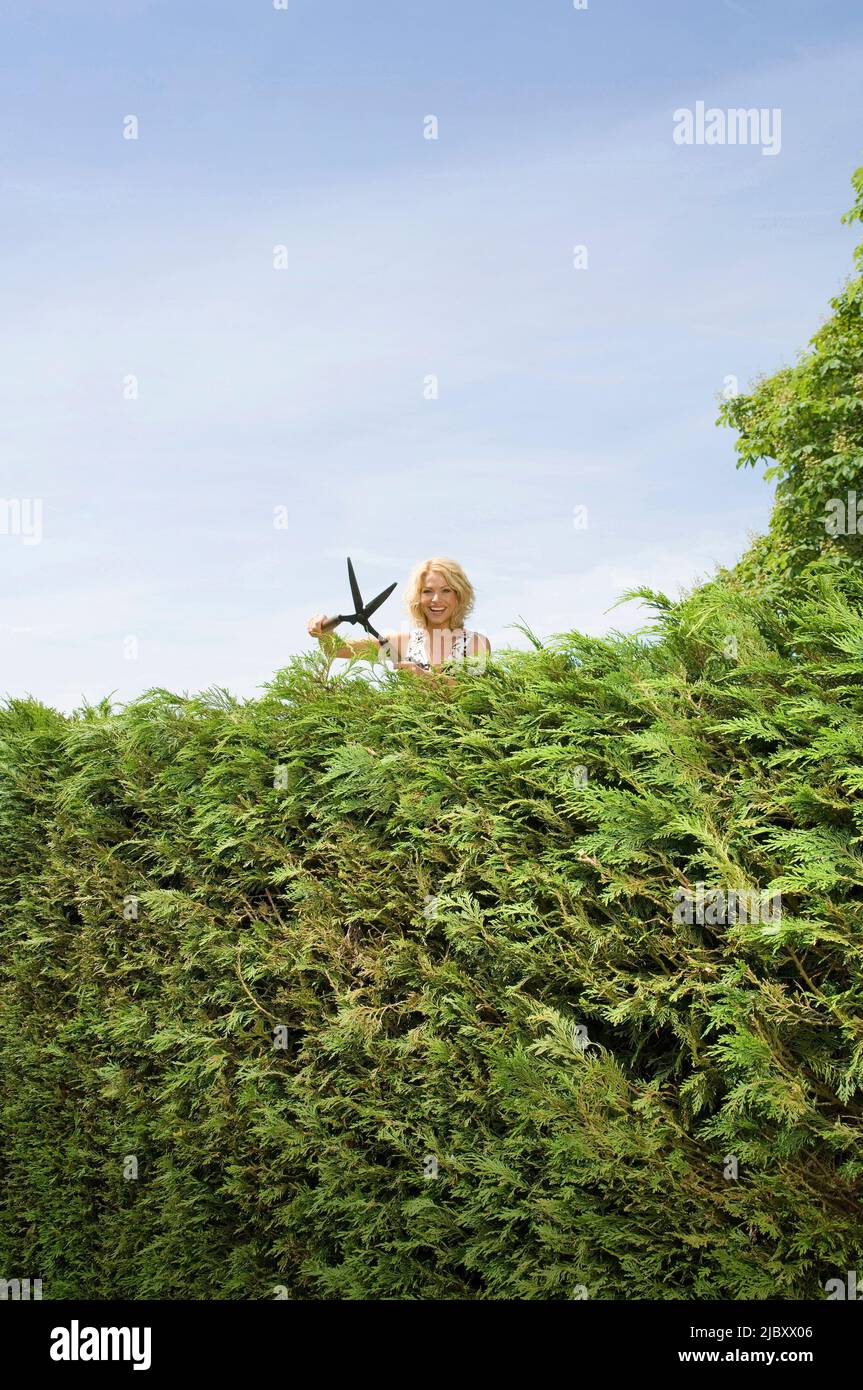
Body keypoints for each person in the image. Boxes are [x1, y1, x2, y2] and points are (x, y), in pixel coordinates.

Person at [307, 557, 491, 676]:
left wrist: (426, 678)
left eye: (446, 591)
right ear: (418, 598)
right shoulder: (404, 642)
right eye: (427, 591)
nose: (436, 599)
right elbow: (337, 650)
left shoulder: (476, 644)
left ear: (459, 596)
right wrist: (323, 628)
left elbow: (471, 694)